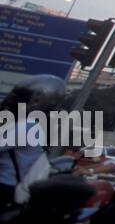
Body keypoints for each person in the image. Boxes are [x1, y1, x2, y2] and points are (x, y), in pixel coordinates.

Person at [0, 75, 66, 209]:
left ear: (37, 101)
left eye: (20, 97)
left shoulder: (28, 126)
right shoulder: (29, 124)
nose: (12, 100)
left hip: (4, 186)